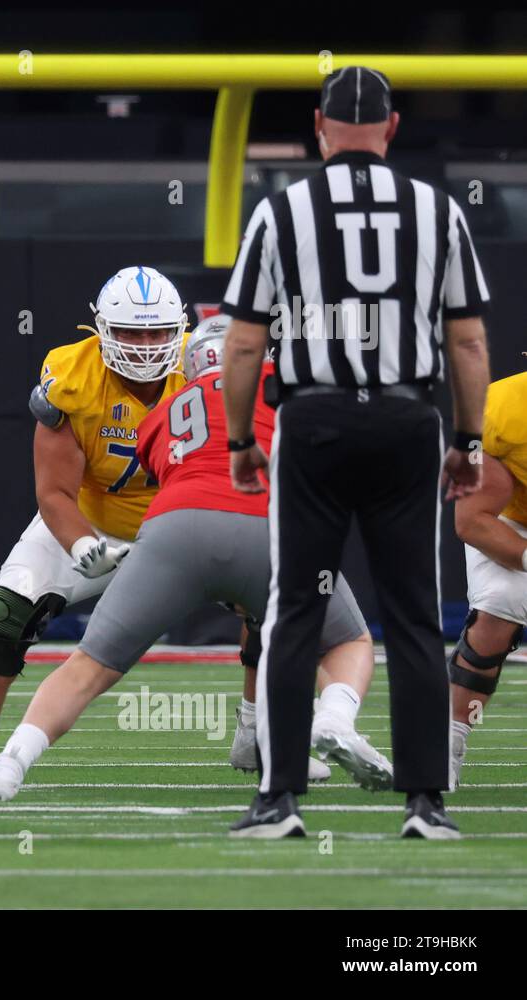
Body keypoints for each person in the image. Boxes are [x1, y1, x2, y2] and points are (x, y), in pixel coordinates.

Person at [221, 67, 491, 839]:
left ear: (320, 125)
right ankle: (424, 804)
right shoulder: (436, 212)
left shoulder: (284, 212)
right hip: (407, 420)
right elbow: (466, 338)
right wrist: (467, 439)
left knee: (295, 609)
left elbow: (244, 342)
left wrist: (242, 439)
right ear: (392, 128)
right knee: (411, 613)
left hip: (316, 422)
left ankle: (279, 800)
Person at [0, 317, 392, 802]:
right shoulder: (282, 384)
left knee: (88, 666)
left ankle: (9, 763)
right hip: (267, 522)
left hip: (172, 530)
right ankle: (332, 718)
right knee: (344, 639)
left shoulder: (161, 414)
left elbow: (175, 469)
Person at [0, 264, 189, 794]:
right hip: (88, 520)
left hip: (178, 526)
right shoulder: (73, 376)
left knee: (267, 598)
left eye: (157, 331)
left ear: (179, 329)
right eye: (132, 332)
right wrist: (83, 544)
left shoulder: (202, 374)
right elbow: (54, 493)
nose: (145, 346)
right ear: (101, 330)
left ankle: (259, 729)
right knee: (2, 616)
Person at [449, 368, 527, 786]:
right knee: (498, 607)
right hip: (513, 523)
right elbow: (473, 520)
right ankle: (449, 743)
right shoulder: (502, 408)